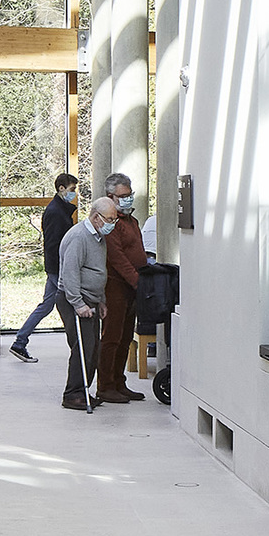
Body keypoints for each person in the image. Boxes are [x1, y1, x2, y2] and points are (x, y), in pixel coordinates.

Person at [9, 172, 79, 361]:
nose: (74, 194)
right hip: (59, 267)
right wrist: (64, 267)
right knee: (71, 304)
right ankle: (78, 345)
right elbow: (55, 244)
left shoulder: (59, 209)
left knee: (47, 305)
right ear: (61, 188)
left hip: (56, 266)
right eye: (72, 190)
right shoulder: (56, 212)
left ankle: (20, 341)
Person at [57, 196, 116, 411]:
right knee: (83, 347)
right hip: (74, 300)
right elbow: (70, 273)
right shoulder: (79, 236)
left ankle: (84, 390)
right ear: (95, 217)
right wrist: (78, 304)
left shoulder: (98, 237)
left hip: (91, 299)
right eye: (109, 219)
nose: (112, 223)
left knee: (93, 349)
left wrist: (101, 300)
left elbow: (98, 270)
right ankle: (72, 394)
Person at [98, 171, 148, 404]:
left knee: (126, 336)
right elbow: (117, 258)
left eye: (130, 194)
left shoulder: (132, 221)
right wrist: (137, 281)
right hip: (115, 287)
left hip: (132, 289)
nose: (128, 198)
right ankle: (105, 385)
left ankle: (119, 381)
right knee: (112, 337)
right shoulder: (111, 223)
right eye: (123, 195)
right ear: (111, 196)